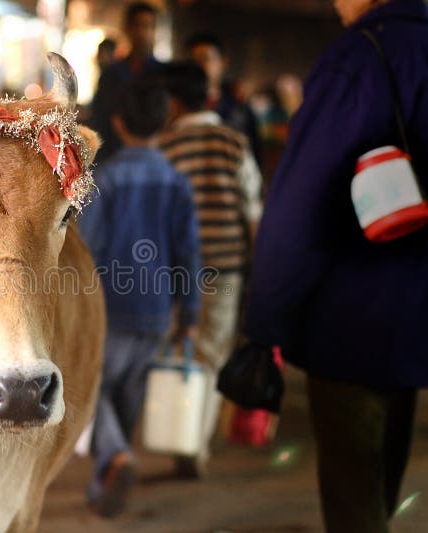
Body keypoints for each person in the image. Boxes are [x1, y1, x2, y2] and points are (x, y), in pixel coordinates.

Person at [237, 1, 428, 531]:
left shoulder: (354, 61)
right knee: (380, 479)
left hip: (350, 321)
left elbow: (299, 204)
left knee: (353, 491)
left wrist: (265, 324)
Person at [79, 80, 201, 518]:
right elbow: (188, 253)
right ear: (165, 124)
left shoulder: (105, 181)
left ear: (116, 122)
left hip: (109, 307)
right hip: (155, 310)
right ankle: (105, 478)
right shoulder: (177, 183)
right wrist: (188, 312)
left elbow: (87, 247)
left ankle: (115, 459)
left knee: (93, 389)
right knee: (128, 395)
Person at [159, 61, 263, 477]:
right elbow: (252, 211)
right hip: (225, 269)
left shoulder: (164, 147)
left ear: (175, 101)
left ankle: (175, 437)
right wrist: (260, 266)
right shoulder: (233, 143)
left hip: (172, 272)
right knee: (211, 357)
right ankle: (195, 444)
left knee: (176, 349)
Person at [88, 2, 165, 163]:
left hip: (153, 161)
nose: (143, 32)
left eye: (148, 26)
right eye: (138, 25)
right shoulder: (111, 74)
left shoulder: (162, 74)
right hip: (113, 159)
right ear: (127, 28)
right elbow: (99, 120)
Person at [185, 33, 262, 162]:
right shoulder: (182, 107)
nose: (198, 66)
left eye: (205, 58)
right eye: (194, 61)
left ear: (223, 62)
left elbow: (255, 149)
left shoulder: (239, 104)